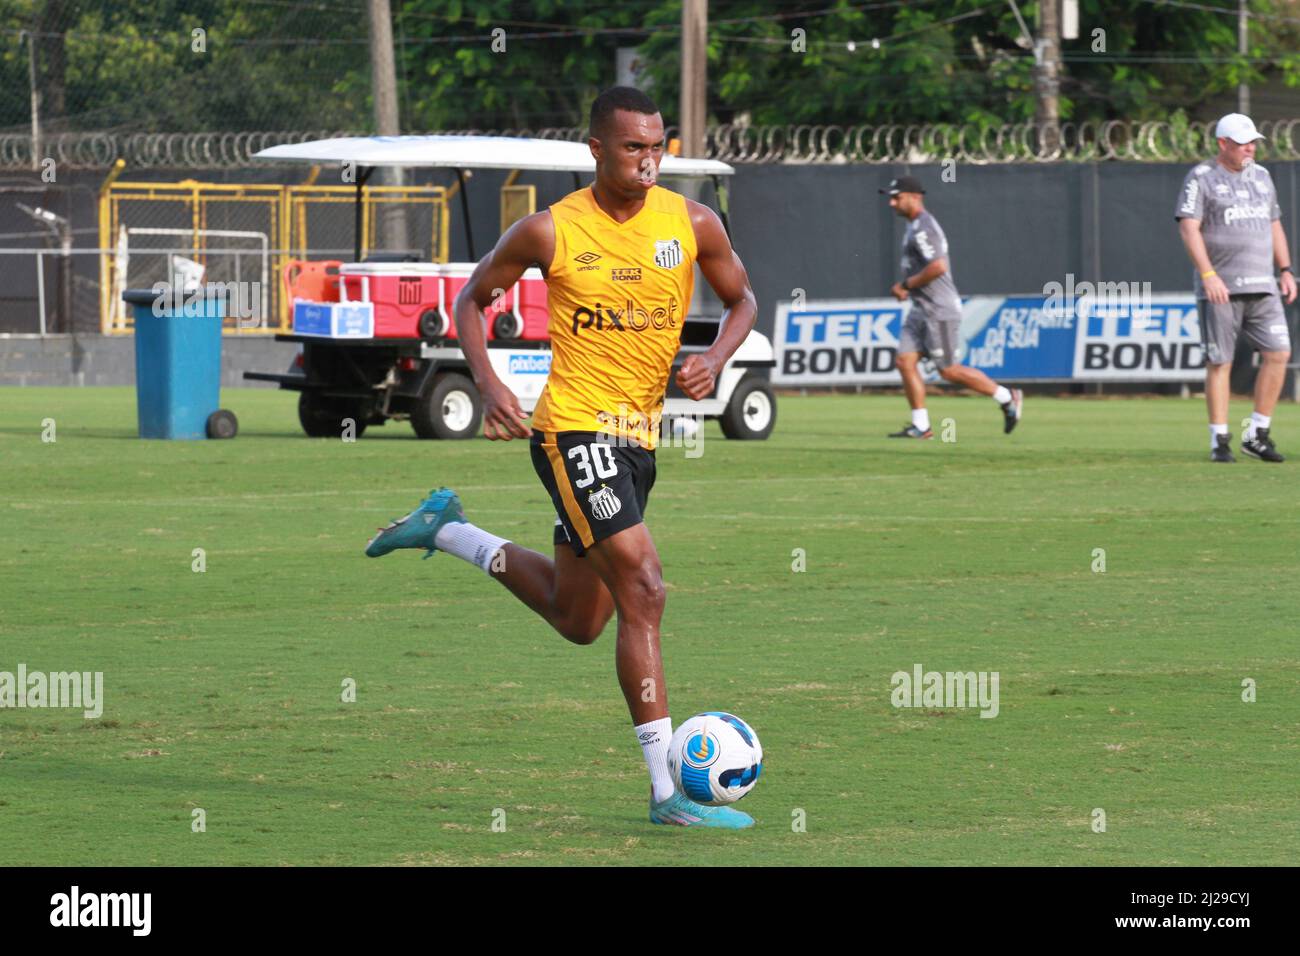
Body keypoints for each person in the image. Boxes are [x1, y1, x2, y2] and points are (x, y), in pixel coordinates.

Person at [365, 87, 759, 827]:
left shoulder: (692, 221)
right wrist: (487, 385)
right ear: (597, 150)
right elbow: (472, 301)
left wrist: (717, 355)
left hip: (638, 441)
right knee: (645, 586)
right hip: (573, 433)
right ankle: (667, 792)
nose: (650, 162)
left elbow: (744, 301)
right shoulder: (551, 231)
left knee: (579, 619)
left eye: (658, 147)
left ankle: (446, 529)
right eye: (634, 148)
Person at [1175, 112, 1296, 463]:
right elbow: (1189, 228)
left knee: (1279, 354)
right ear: (1222, 144)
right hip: (1221, 289)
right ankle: (1219, 440)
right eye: (1243, 143)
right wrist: (1209, 275)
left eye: (1253, 142)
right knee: (1220, 362)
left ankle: (1256, 434)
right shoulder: (1201, 177)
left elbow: (1274, 224)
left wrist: (1286, 269)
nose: (1250, 148)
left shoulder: (1262, 177)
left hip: (1263, 285)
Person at [881, 175, 1022, 438]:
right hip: (920, 308)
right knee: (904, 361)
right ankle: (921, 426)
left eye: (896, 197)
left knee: (948, 370)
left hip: (939, 309)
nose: (891, 202)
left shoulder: (924, 227)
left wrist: (907, 284)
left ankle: (1006, 396)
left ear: (914, 197)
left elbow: (938, 267)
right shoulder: (913, 226)